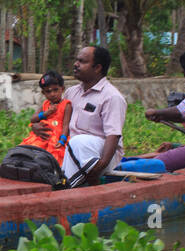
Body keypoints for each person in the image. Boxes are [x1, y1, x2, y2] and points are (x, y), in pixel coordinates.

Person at [45, 45, 127, 184]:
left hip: (101, 157)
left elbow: (113, 136)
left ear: (97, 68)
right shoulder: (71, 92)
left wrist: (98, 170)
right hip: (72, 152)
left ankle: (68, 186)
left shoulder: (112, 97)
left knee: (78, 142)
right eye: (77, 60)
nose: (76, 65)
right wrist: (37, 127)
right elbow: (58, 119)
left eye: (82, 62)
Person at [19, 70, 74, 165]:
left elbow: (66, 125)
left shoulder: (66, 105)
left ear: (62, 88)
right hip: (42, 135)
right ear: (43, 93)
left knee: (53, 157)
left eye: (55, 90)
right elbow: (33, 119)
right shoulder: (45, 104)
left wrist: (63, 139)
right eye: (48, 91)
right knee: (33, 152)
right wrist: (45, 114)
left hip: (57, 138)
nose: (52, 94)